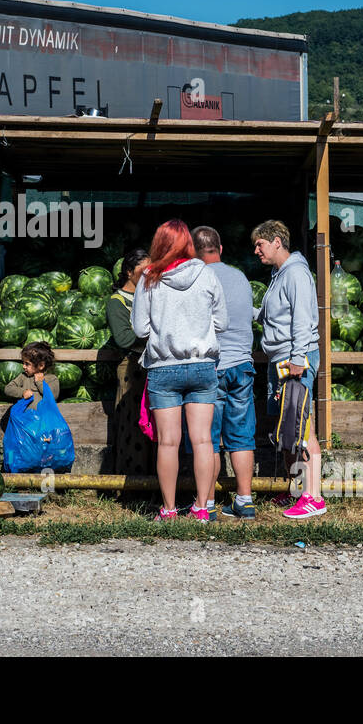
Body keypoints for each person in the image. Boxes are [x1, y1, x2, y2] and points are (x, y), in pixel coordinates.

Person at [131, 220, 227, 522]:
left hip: (164, 369)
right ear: (188, 243)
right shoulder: (207, 274)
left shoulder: (149, 278)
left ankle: (169, 509)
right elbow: (221, 322)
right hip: (202, 366)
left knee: (168, 443)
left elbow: (139, 328)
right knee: (202, 441)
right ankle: (202, 508)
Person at [253, 220, 325, 519]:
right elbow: (273, 316)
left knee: (301, 424)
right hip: (280, 359)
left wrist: (297, 358)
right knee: (286, 428)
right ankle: (297, 489)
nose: (256, 250)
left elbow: (301, 319)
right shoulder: (278, 274)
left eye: (260, 244)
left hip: (294, 358)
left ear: (277, 242)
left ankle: (314, 497)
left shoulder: (295, 273)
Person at [191, 226, 258, 520]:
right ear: (220, 248)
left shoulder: (197, 278)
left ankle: (206, 503)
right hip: (242, 366)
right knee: (242, 436)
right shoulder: (240, 276)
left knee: (209, 438)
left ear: (193, 252)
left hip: (212, 366)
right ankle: (245, 499)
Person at [106, 249, 152, 476]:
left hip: (150, 367)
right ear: (128, 272)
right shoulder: (116, 302)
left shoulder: (151, 295)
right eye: (143, 270)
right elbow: (123, 338)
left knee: (149, 426)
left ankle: (151, 481)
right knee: (131, 425)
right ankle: (130, 483)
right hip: (131, 369)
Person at [4, 341, 60, 409]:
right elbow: (8, 389)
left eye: (27, 364)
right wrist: (22, 392)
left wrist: (40, 383)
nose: (23, 366)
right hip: (24, 418)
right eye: (23, 363)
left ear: (41, 365)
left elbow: (53, 396)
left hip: (43, 418)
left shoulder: (51, 379)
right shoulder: (23, 376)